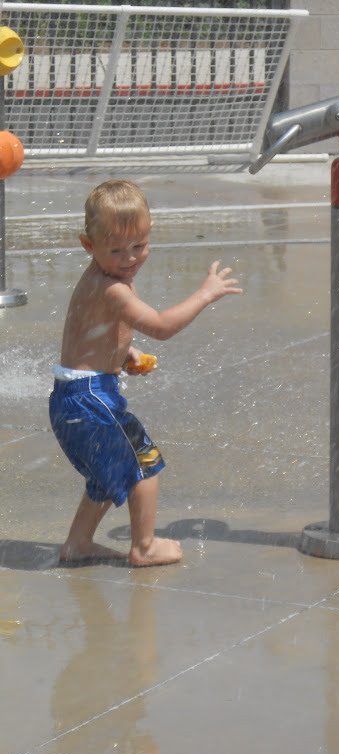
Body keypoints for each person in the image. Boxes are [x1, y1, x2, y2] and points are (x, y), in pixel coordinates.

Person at [49, 179, 242, 566]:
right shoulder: (114, 289)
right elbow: (162, 326)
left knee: (105, 476)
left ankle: (79, 543)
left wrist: (123, 354)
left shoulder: (98, 280)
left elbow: (89, 334)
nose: (130, 258)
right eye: (117, 250)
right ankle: (144, 546)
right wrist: (204, 294)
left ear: (149, 233)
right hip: (91, 399)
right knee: (143, 464)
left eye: (139, 246)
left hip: (73, 396)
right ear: (89, 245)